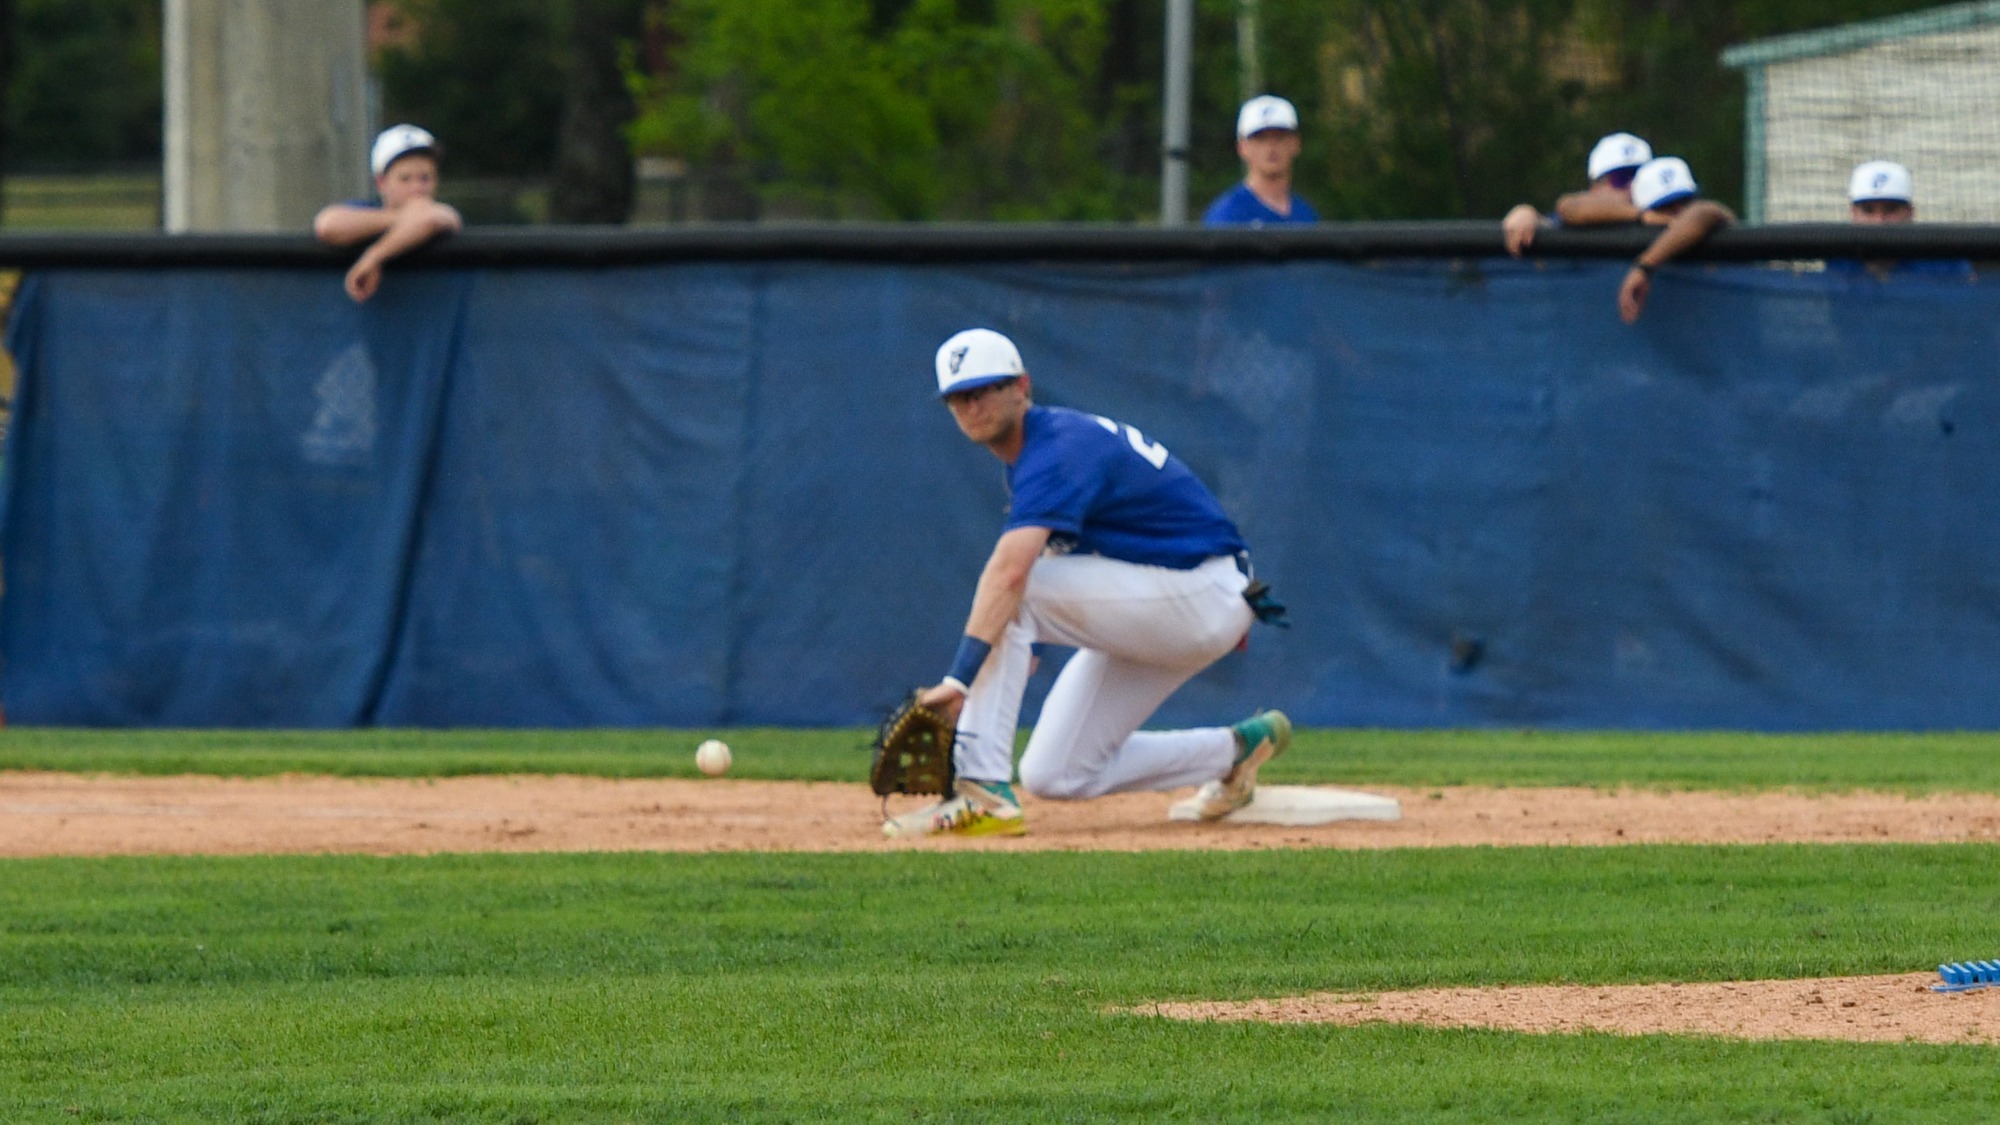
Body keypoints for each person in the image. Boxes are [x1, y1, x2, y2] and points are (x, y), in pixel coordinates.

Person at [883, 328, 1291, 838]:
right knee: (1055, 772)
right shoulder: (1041, 455)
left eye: (983, 389)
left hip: (1200, 591)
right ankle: (1234, 752)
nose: (971, 405)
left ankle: (981, 791)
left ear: (1021, 386)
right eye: (958, 397)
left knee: (1018, 585)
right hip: (1171, 600)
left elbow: (1012, 576)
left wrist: (960, 680)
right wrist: (1006, 655)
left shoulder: (1057, 448)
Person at [312, 124, 463, 303]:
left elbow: (430, 218)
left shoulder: (441, 214)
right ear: (382, 183)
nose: (417, 188)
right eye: (405, 179)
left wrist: (372, 258)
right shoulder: (367, 211)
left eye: (425, 178)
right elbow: (326, 225)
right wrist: (399, 218)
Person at [1616, 156, 1735, 323]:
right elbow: (1570, 207)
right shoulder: (1638, 224)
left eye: (1685, 202)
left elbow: (1703, 212)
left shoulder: (1710, 220)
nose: (1679, 212)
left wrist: (1643, 267)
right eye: (1666, 206)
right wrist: (1640, 215)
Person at [1501, 132, 1651, 256]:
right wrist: (1526, 214)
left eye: (1641, 177)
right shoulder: (1578, 220)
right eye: (1621, 178)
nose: (1632, 186)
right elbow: (1551, 223)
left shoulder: (1666, 213)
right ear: (1595, 186)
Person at [1832, 160, 1973, 280]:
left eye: (1890, 209)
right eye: (1868, 210)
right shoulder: (1838, 265)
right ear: (1853, 213)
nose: (1879, 221)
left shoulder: (1945, 264)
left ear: (1910, 212)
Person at [1202, 95, 1318, 226]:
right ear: (1242, 147)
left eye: (1280, 137)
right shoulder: (1227, 214)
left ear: (1296, 144)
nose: (1271, 147)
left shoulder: (1305, 213)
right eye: (1260, 139)